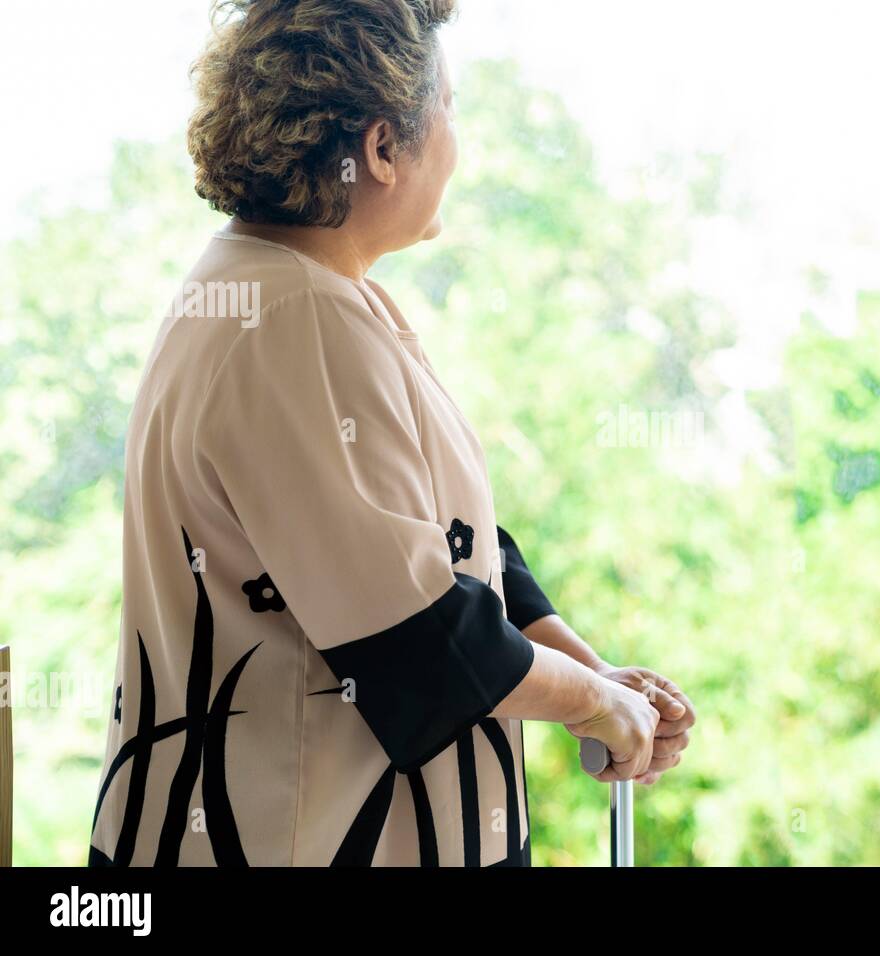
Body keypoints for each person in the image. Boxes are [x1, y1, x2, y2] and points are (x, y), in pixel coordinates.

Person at [89, 0, 694, 867]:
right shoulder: (292, 318)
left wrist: (592, 676)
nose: (458, 143)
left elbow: (448, 548)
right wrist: (594, 707)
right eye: (447, 112)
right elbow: (418, 641)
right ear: (381, 149)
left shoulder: (299, 292)